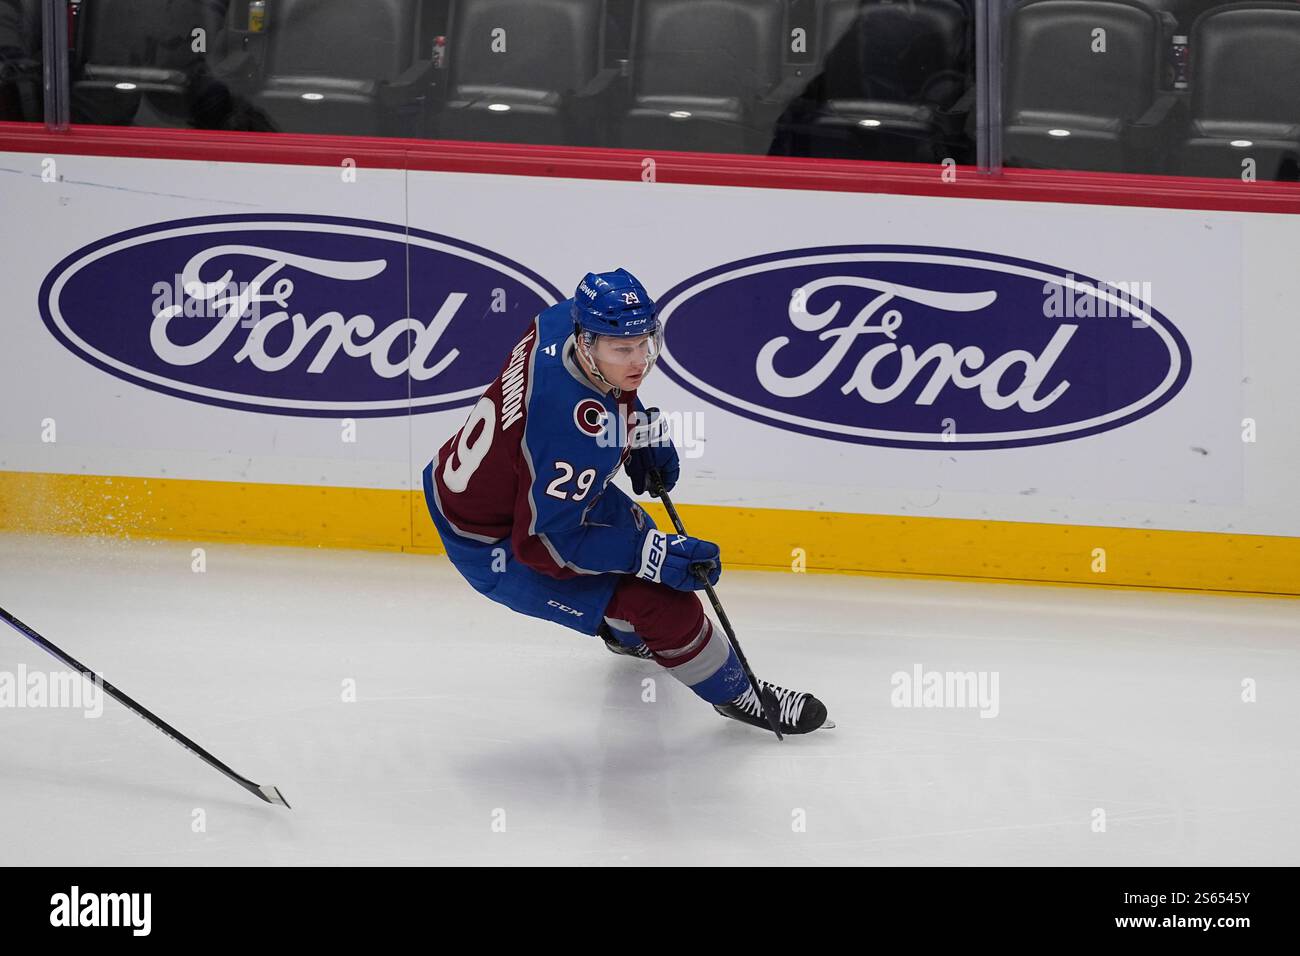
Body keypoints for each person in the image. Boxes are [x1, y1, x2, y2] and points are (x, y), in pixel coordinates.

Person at [422, 268, 830, 734]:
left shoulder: (558, 323)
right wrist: (647, 557)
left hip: (500, 490)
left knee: (641, 540)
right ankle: (740, 695)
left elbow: (597, 395)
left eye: (646, 343)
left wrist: (631, 429)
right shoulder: (572, 435)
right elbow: (543, 546)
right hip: (493, 542)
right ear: (588, 341)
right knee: (662, 600)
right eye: (623, 350)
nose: (641, 361)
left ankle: (622, 632)